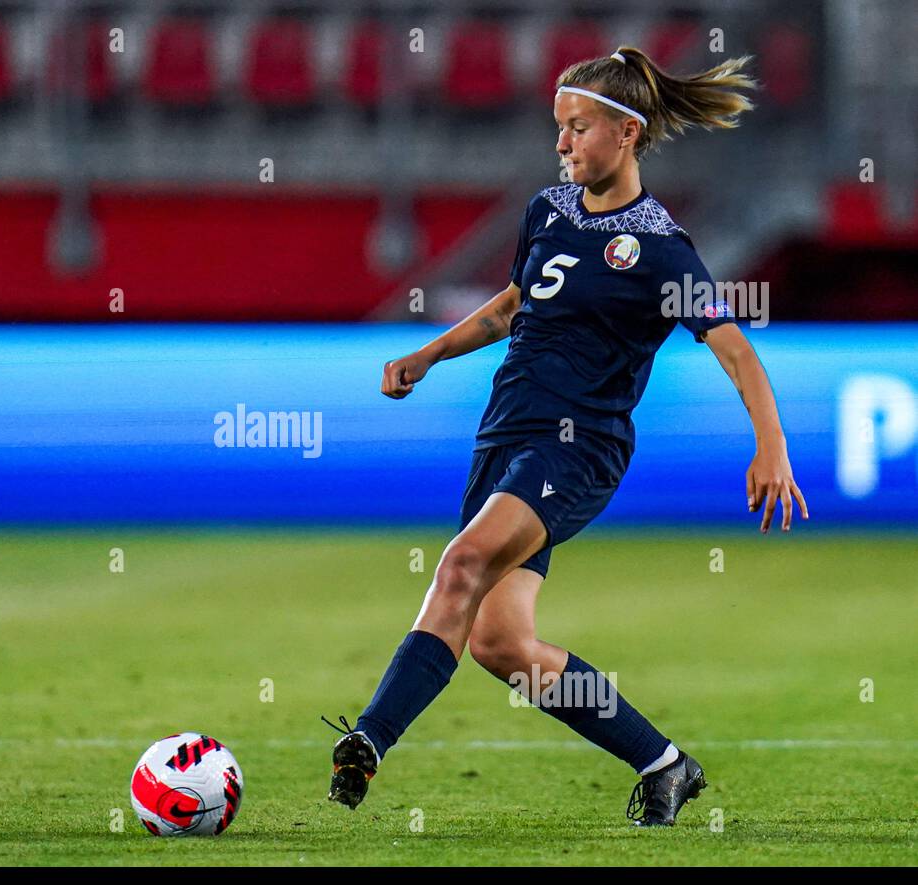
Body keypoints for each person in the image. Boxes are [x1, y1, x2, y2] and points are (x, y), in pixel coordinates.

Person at [324, 46, 809, 826]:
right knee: (501, 645)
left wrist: (772, 445)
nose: (562, 145)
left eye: (576, 129)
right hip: (503, 437)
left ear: (625, 132)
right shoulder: (548, 212)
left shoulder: (661, 250)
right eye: (560, 129)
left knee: (461, 562)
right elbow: (516, 305)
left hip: (578, 446)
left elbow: (735, 349)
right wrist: (428, 353)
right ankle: (665, 764)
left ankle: (371, 739)